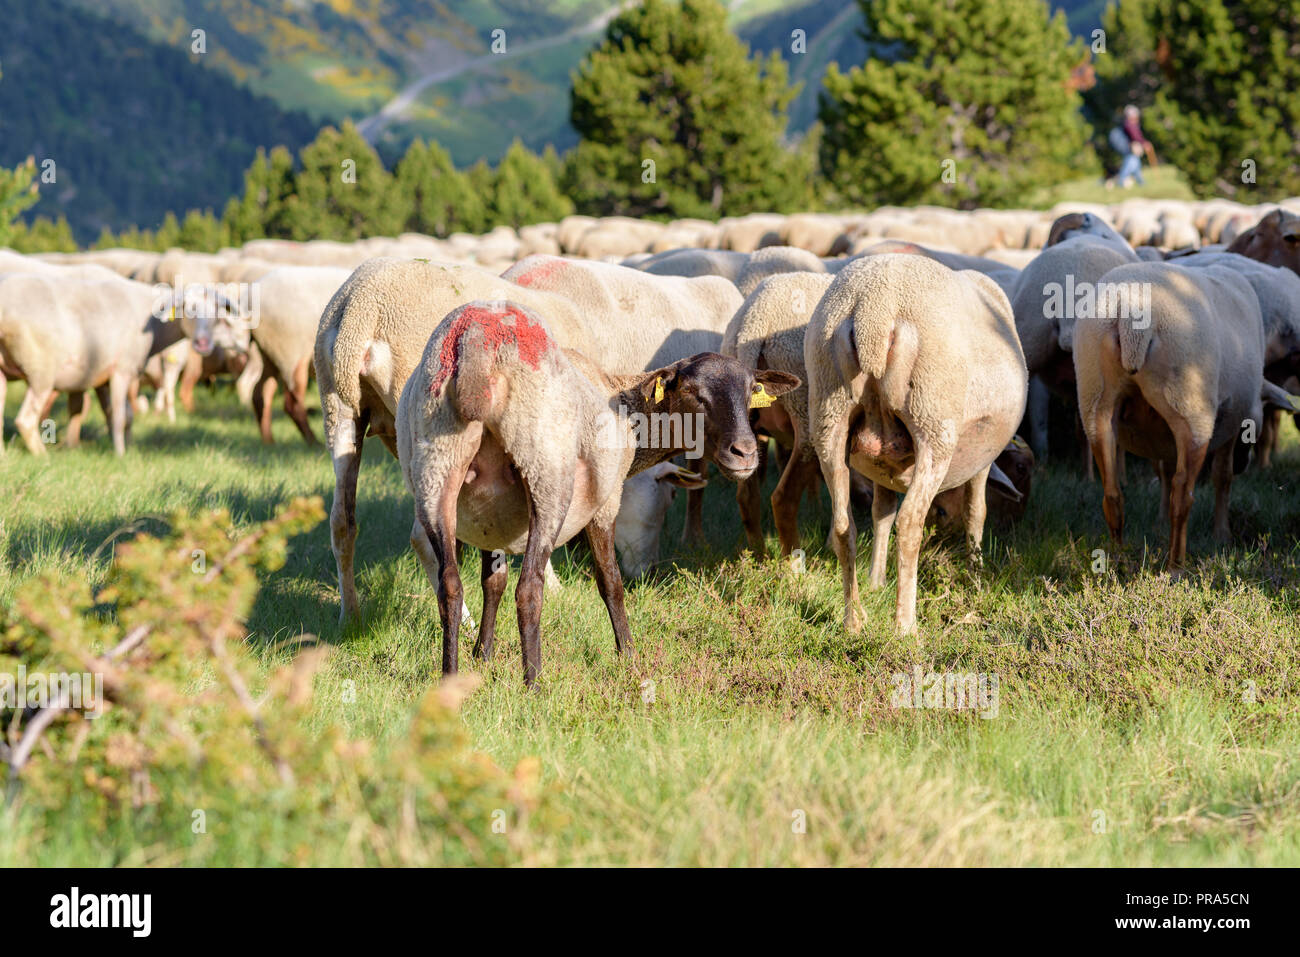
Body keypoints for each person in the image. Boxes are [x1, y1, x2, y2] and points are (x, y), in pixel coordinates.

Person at [1106, 105, 1155, 189]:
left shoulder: (1129, 124)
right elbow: (1135, 136)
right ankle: (1122, 180)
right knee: (1131, 160)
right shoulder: (1129, 124)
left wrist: (1143, 142)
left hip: (1126, 146)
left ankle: (1140, 181)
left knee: (1134, 161)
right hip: (1125, 146)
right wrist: (1144, 143)